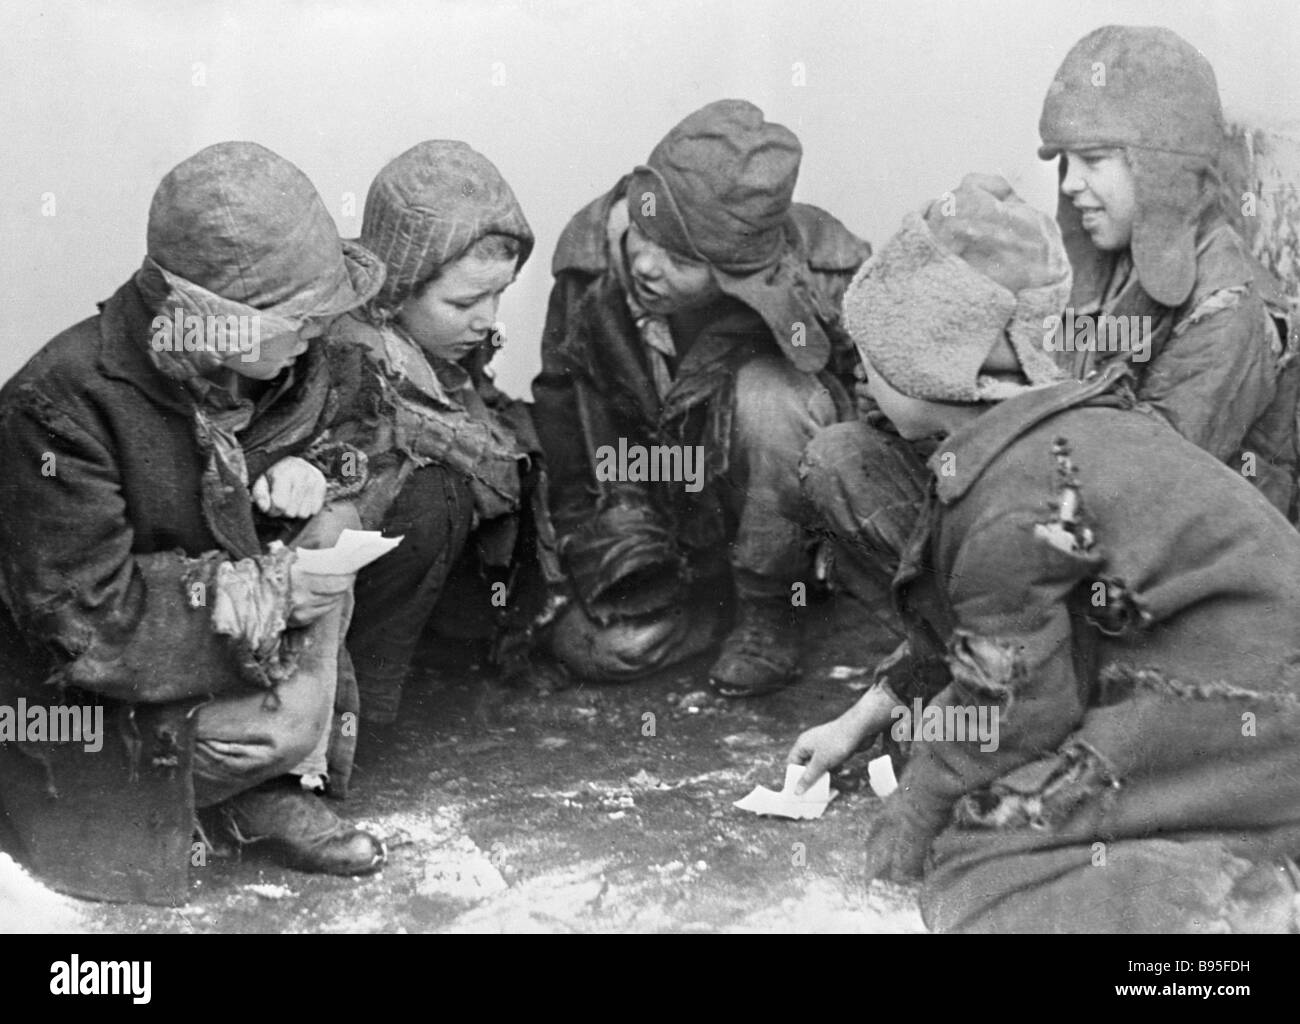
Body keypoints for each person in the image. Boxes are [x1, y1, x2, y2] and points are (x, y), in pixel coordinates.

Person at [790, 175, 1300, 933]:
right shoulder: (1058, 433)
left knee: (982, 877)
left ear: (925, 365)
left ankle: (1225, 929)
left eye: (870, 356)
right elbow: (1006, 651)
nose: (860, 375)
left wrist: (917, 807)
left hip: (1236, 711)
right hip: (1245, 703)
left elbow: (1013, 706)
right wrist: (873, 719)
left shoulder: (1009, 492)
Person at [0, 142, 388, 904]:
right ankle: (214, 793)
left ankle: (246, 787)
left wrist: (322, 470)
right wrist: (259, 595)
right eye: (300, 320)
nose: (318, 334)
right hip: (83, 703)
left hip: (193, 664)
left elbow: (362, 433)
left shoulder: (259, 360)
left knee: (337, 525)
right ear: (215, 318)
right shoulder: (55, 409)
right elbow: (85, 620)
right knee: (279, 725)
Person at [531, 99, 871, 697]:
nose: (647, 265)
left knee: (776, 398)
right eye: (644, 233)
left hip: (776, 521)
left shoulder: (826, 272)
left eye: (683, 260)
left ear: (736, 276)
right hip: (666, 519)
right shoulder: (590, 264)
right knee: (602, 650)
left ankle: (769, 609)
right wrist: (590, 551)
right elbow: (564, 412)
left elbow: (880, 420)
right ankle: (711, 608)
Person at [316, 140, 549, 727]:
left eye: (499, 294)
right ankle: (358, 709)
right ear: (397, 289)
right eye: (467, 300)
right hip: (336, 579)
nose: (488, 319)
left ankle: (454, 654)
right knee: (433, 494)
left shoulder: (437, 341)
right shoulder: (354, 356)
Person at [1038, 24, 1298, 518]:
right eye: (1065, 164)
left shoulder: (1230, 310)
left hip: (1184, 572)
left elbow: (1139, 484)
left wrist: (988, 425)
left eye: (1093, 161)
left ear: (1161, 172)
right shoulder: (1114, 269)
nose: (1071, 184)